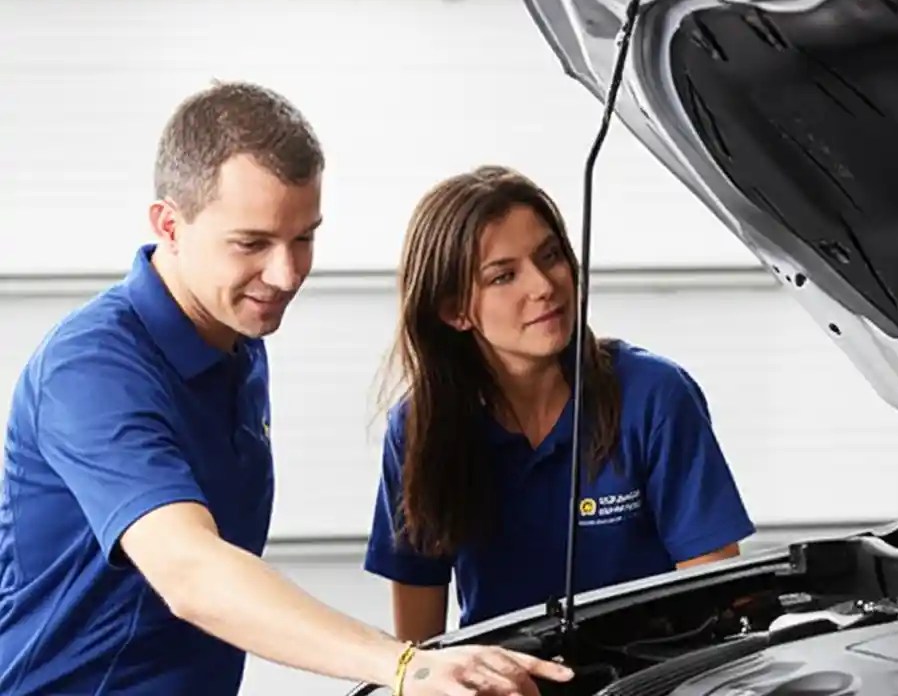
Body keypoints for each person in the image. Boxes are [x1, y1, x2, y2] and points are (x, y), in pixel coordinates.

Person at [0, 82, 572, 696]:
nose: (287, 274)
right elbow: (189, 570)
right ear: (170, 224)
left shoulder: (236, 341)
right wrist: (402, 665)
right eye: (252, 243)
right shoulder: (90, 372)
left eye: (304, 237)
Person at [364, 165, 757, 642]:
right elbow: (417, 658)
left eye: (549, 256)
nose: (544, 286)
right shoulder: (417, 428)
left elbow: (721, 604)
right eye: (504, 275)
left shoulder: (655, 396)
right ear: (455, 311)